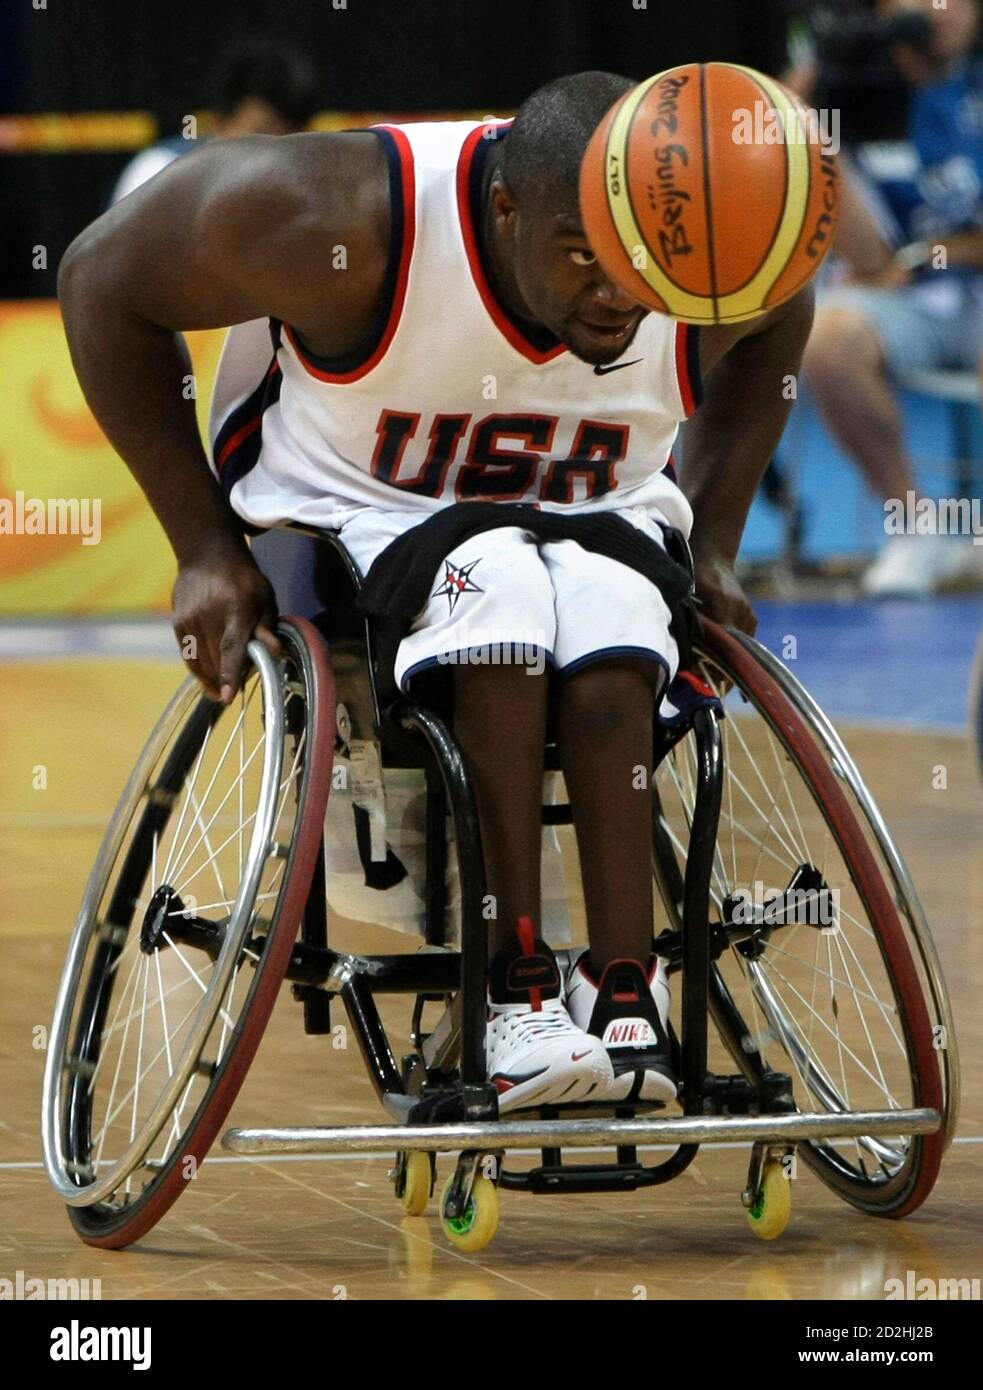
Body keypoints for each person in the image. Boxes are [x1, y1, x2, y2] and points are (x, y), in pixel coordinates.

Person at [58, 72, 813, 1113]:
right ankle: (510, 978)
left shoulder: (705, 248)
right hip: (358, 510)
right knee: (497, 586)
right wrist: (199, 544)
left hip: (586, 507)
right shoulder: (341, 218)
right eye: (580, 255)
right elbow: (101, 278)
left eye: (641, 262)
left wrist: (715, 536)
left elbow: (783, 304)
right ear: (505, 212)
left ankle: (621, 984)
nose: (617, 291)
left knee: (612, 612)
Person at [801, 0, 983, 595]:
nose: (945, 10)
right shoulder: (852, 93)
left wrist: (930, 256)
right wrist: (817, 70)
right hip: (911, 300)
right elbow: (762, 130)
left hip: (968, 285)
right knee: (828, 338)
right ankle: (917, 527)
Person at [110, 36, 320, 204]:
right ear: (220, 123)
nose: (274, 158)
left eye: (292, 139)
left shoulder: (313, 193)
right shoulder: (157, 174)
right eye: (260, 136)